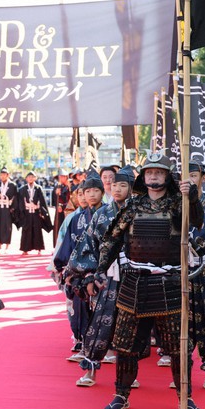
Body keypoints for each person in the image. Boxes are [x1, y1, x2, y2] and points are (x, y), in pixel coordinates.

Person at [93, 150, 203, 409]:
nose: (154, 176)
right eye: (150, 172)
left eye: (159, 172)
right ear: (144, 177)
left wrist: (192, 196)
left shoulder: (180, 203)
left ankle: (184, 397)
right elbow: (112, 238)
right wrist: (100, 269)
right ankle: (121, 394)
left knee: (179, 346)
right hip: (135, 283)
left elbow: (196, 221)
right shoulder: (132, 205)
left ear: (168, 177)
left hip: (171, 282)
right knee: (125, 344)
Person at [69, 166, 136, 387]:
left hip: (135, 277)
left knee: (131, 329)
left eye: (122, 185)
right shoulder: (102, 214)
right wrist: (88, 276)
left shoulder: (139, 212)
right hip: (107, 277)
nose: (116, 189)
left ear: (131, 188)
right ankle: (90, 371)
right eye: (114, 184)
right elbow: (88, 247)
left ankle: (128, 377)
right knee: (99, 324)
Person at [54, 172, 104, 362]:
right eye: (86, 191)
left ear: (102, 192)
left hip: (105, 272)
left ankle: (104, 349)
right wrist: (65, 270)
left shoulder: (110, 214)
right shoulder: (76, 219)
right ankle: (84, 345)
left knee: (103, 312)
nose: (90, 195)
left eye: (95, 190)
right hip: (80, 273)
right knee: (81, 309)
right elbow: (68, 247)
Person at [187, 161, 205, 392]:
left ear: (202, 177)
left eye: (193, 175)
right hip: (181, 270)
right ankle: (182, 374)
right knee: (182, 322)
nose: (189, 179)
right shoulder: (176, 205)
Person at [16, 171, 51, 255]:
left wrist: (42, 212)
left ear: (35, 178)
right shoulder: (22, 189)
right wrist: (22, 213)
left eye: (32, 177)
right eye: (29, 177)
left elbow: (42, 201)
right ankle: (25, 249)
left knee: (37, 230)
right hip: (27, 213)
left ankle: (39, 248)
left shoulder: (38, 188)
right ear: (26, 178)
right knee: (26, 230)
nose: (30, 178)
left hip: (36, 212)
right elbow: (20, 202)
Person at [0, 166, 17, 254]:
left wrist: (13, 208)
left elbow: (16, 198)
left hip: (8, 209)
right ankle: (0, 246)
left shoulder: (13, 186)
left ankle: (7, 246)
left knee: (7, 227)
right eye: (1, 175)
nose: (2, 176)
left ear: (8, 175)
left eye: (4, 175)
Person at [52, 168, 71, 247]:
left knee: (67, 227)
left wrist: (61, 196)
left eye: (63, 176)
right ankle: (57, 246)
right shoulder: (57, 187)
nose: (61, 178)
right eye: (60, 177)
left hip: (68, 210)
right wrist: (57, 195)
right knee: (58, 226)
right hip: (59, 210)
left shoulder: (69, 186)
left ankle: (66, 246)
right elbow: (54, 200)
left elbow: (69, 198)